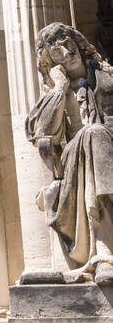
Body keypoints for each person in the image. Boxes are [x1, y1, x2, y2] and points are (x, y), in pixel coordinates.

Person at [26, 22, 113, 283]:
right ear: (50, 61)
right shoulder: (56, 93)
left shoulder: (107, 75)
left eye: (67, 43)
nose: (66, 51)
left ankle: (105, 252)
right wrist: (60, 89)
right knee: (92, 134)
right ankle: (104, 251)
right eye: (57, 51)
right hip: (78, 159)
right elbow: (42, 134)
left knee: (97, 135)